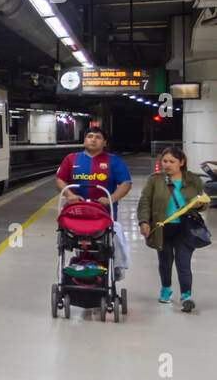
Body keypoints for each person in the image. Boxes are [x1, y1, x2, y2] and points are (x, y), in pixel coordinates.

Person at [137, 146, 208, 312]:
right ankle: (166, 289)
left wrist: (200, 205)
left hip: (185, 228)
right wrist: (144, 222)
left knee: (184, 263)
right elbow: (145, 201)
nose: (167, 165)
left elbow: (204, 202)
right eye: (165, 161)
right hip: (162, 228)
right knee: (166, 261)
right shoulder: (155, 180)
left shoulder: (193, 180)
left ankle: (186, 295)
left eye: (172, 162)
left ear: (181, 162)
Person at [55, 127, 132, 277]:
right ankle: (82, 272)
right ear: (84, 141)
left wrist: (111, 199)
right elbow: (60, 179)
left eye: (97, 137)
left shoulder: (114, 161)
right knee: (81, 245)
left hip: (104, 215)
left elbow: (126, 183)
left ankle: (104, 275)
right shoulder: (71, 159)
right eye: (90, 136)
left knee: (103, 247)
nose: (93, 139)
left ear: (104, 143)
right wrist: (70, 195)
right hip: (76, 216)